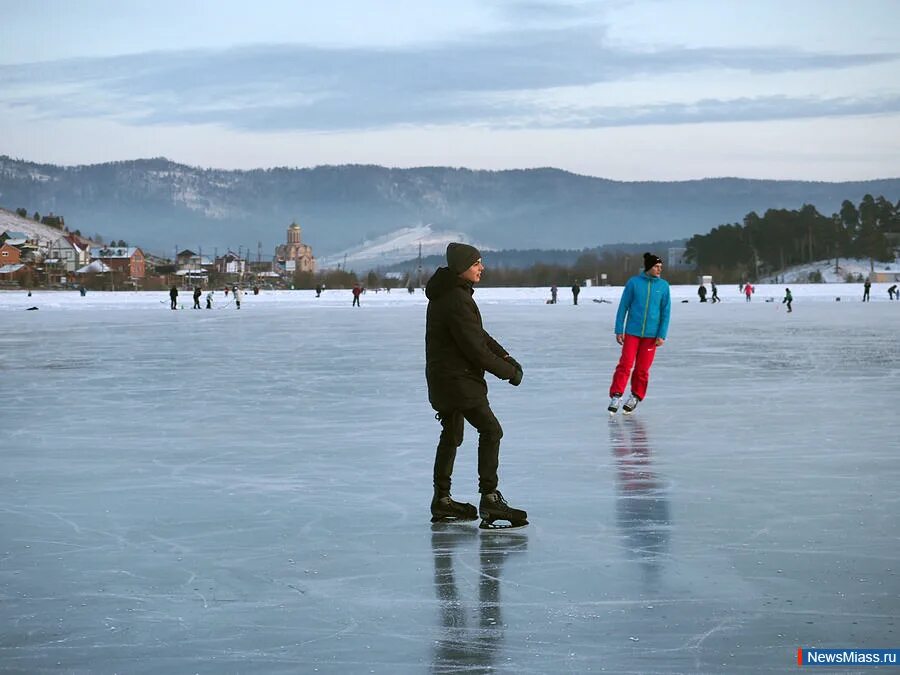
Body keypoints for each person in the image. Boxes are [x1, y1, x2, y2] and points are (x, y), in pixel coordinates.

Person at [425, 243, 527, 529]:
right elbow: (475, 349)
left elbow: (478, 335)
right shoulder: (456, 299)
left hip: (445, 380)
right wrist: (509, 373)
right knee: (491, 430)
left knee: (452, 434)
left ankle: (442, 500)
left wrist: (505, 356)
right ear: (462, 268)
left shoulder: (449, 294)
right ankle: (490, 498)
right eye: (476, 263)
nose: (481, 268)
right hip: (458, 381)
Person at [608, 253, 671, 416]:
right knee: (625, 364)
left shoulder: (663, 286)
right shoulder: (634, 283)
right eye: (656, 267)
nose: (659, 270)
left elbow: (666, 313)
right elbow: (623, 307)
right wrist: (618, 329)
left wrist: (662, 334)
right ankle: (616, 395)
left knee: (642, 369)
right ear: (649, 267)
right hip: (632, 333)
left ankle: (635, 396)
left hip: (651, 336)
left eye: (661, 267)